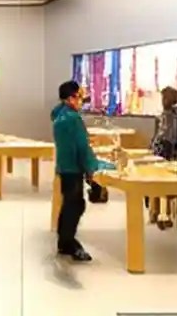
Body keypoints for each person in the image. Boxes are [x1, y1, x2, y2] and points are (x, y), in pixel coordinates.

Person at [52, 80, 110, 263]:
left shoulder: (59, 114)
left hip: (63, 166)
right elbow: (82, 148)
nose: (81, 101)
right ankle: (69, 243)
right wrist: (92, 171)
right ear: (70, 99)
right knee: (75, 205)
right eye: (79, 97)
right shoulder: (73, 119)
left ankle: (63, 240)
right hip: (74, 167)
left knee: (68, 204)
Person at [149, 86, 177, 230]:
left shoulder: (169, 116)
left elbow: (161, 137)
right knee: (175, 188)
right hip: (173, 153)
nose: (163, 101)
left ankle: (162, 215)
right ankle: (173, 218)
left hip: (168, 153)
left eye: (164, 98)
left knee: (163, 185)